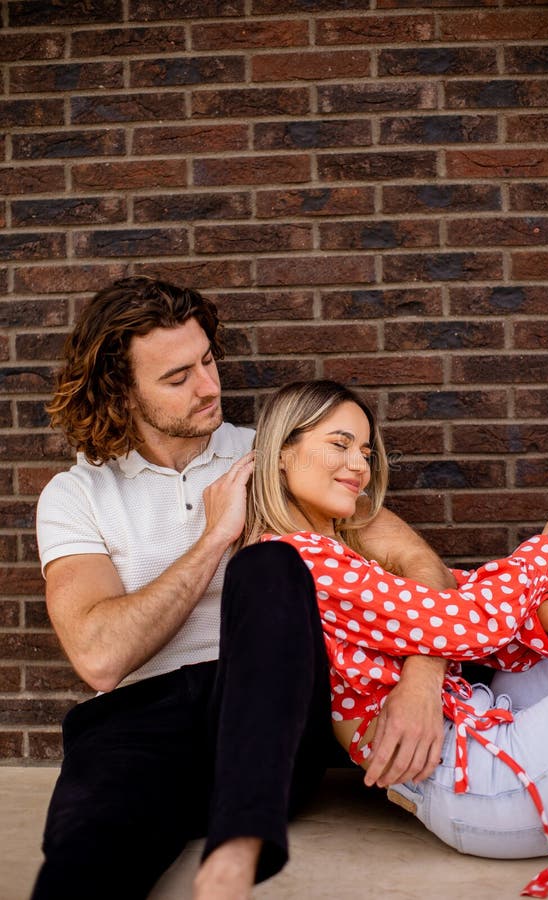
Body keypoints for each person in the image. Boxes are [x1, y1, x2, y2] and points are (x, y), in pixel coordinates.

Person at [32, 276, 460, 900]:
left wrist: (423, 681)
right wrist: (212, 540)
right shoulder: (77, 496)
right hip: (140, 725)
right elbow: (99, 657)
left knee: (269, 566)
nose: (209, 387)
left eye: (207, 360)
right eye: (178, 378)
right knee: (85, 854)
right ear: (121, 393)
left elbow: (423, 566)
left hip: (272, 711)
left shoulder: (276, 458)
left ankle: (236, 856)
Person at [243, 378, 548, 899]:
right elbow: (471, 622)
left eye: (364, 450)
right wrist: (541, 548)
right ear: (280, 453)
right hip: (483, 787)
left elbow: (469, 594)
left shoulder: (340, 550)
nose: (360, 465)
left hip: (488, 722)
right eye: (338, 444)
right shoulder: (297, 560)